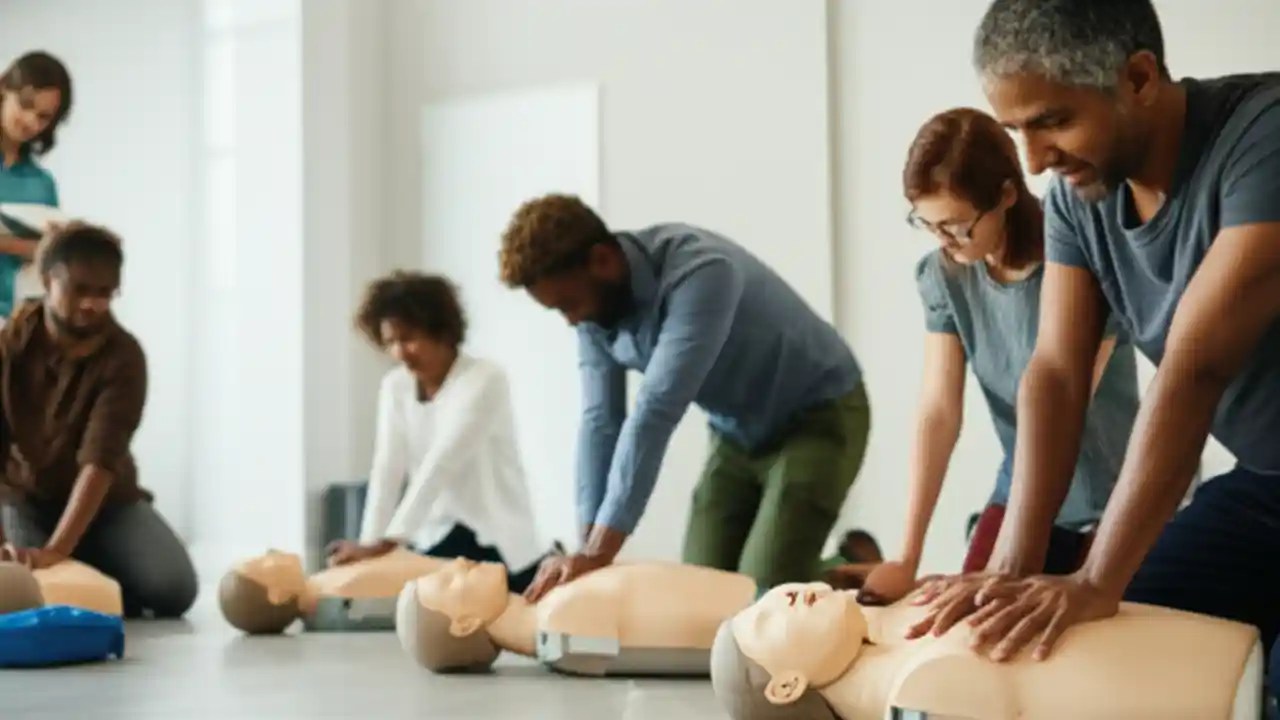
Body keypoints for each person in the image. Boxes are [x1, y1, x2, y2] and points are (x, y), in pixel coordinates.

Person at [907, 0, 1280, 686]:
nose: (1034, 161)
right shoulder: (1085, 198)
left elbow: (1194, 368)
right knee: (1114, 645)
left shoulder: (1266, 138)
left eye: (1053, 122)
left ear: (1139, 78)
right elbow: (1054, 372)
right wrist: (1011, 570)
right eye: (1016, 129)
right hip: (1268, 483)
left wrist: (1096, 577)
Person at [498, 194, 870, 602]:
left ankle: (855, 571)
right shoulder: (594, 311)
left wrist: (597, 553)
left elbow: (654, 411)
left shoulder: (701, 272)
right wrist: (584, 547)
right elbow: (601, 422)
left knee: (760, 599)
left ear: (601, 260)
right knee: (700, 596)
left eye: (569, 304)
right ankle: (842, 567)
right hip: (735, 434)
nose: (571, 321)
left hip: (818, 415)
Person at [855, 108, 1140, 606]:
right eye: (927, 224)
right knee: (968, 621)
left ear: (1007, 195)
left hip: (1115, 495)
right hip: (1019, 488)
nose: (944, 241)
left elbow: (1065, 403)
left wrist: (1010, 557)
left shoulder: (1079, 258)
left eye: (957, 225)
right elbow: (939, 411)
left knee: (1082, 644)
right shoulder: (943, 276)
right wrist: (907, 555)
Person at [0, 223, 197, 618]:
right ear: (47, 280)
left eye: (105, 293)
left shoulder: (125, 357)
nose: (92, 304)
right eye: (80, 290)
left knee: (175, 589)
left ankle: (90, 558)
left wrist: (58, 550)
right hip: (26, 501)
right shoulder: (9, 346)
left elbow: (100, 462)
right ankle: (94, 567)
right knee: (23, 591)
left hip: (109, 504)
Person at [326, 271, 547, 593]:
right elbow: (388, 467)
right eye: (390, 342)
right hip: (434, 537)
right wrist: (369, 547)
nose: (400, 352)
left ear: (442, 331)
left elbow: (442, 462)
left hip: (498, 542)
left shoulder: (485, 379)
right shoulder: (395, 386)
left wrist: (388, 541)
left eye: (409, 338)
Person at [0, 51, 72, 319]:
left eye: (43, 117)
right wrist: (25, 246)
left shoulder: (41, 185)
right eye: (25, 104)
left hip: (12, 324)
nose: (30, 121)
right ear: (4, 87)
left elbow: (50, 259)